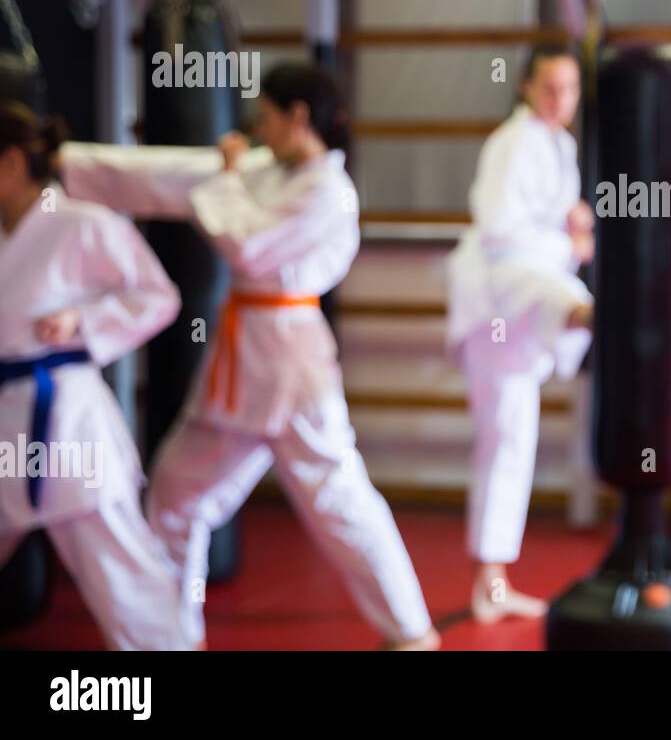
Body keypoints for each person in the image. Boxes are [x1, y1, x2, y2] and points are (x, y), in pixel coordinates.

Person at [57, 62, 437, 651]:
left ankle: (410, 630)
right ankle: (170, 637)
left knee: (338, 499)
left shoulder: (329, 192)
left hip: (291, 365)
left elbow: (249, 245)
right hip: (241, 365)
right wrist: (64, 164)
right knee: (178, 496)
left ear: (298, 117)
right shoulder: (269, 169)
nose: (259, 129)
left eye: (266, 116)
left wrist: (229, 176)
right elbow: (171, 177)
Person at [0, 99, 189, 650]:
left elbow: (159, 297)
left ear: (11, 163)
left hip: (64, 419)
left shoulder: (84, 223)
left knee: (121, 571)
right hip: (6, 417)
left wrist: (83, 320)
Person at [446, 43, 594, 623]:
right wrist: (570, 243)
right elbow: (501, 232)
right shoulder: (514, 143)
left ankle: (493, 582)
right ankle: (490, 581)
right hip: (499, 300)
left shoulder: (559, 145)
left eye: (571, 88)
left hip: (525, 296)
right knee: (505, 437)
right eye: (550, 88)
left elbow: (544, 221)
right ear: (527, 87)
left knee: (512, 439)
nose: (562, 99)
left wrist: (570, 220)